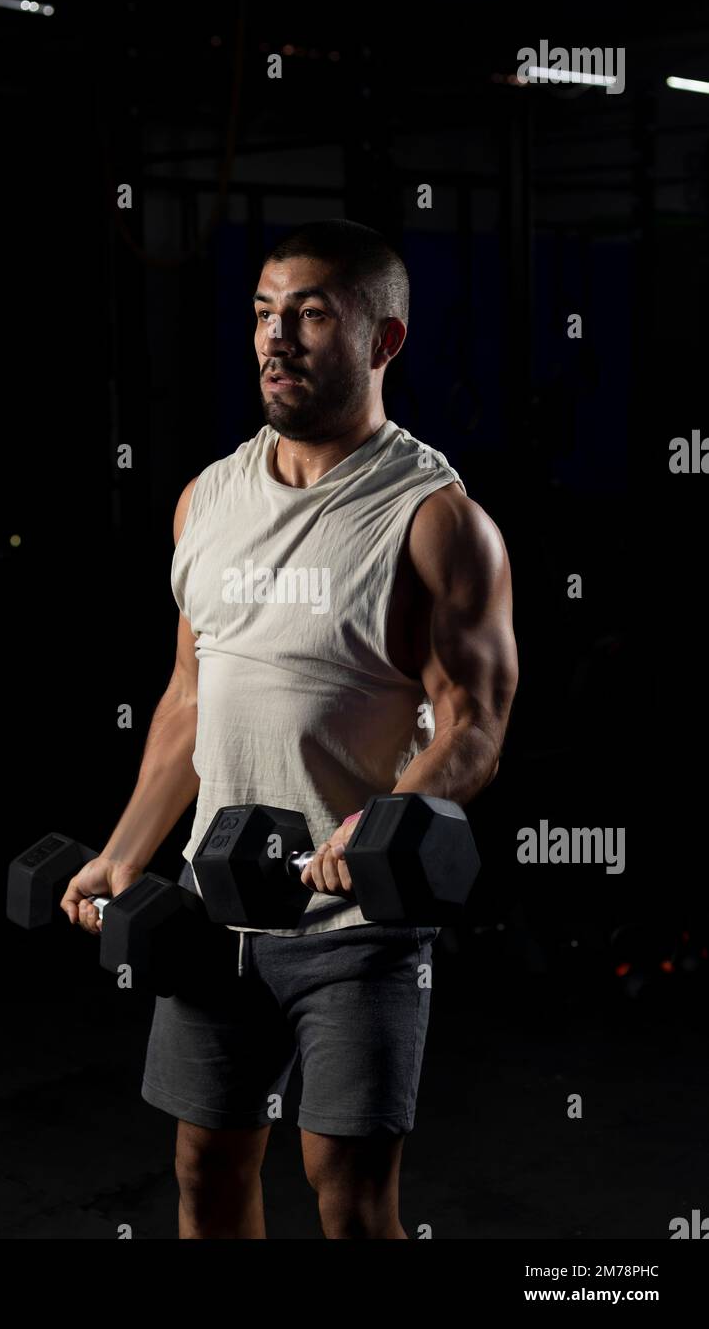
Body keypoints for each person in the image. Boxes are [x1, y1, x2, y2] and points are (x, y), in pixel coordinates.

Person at [61, 219, 519, 1238]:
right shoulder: (205, 500)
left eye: (310, 314)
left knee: (348, 1199)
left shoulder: (433, 516)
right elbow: (186, 695)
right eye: (264, 312)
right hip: (210, 911)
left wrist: (382, 824)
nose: (276, 338)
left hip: (355, 926)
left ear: (380, 340)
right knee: (203, 1171)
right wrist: (125, 853)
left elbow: (475, 721)